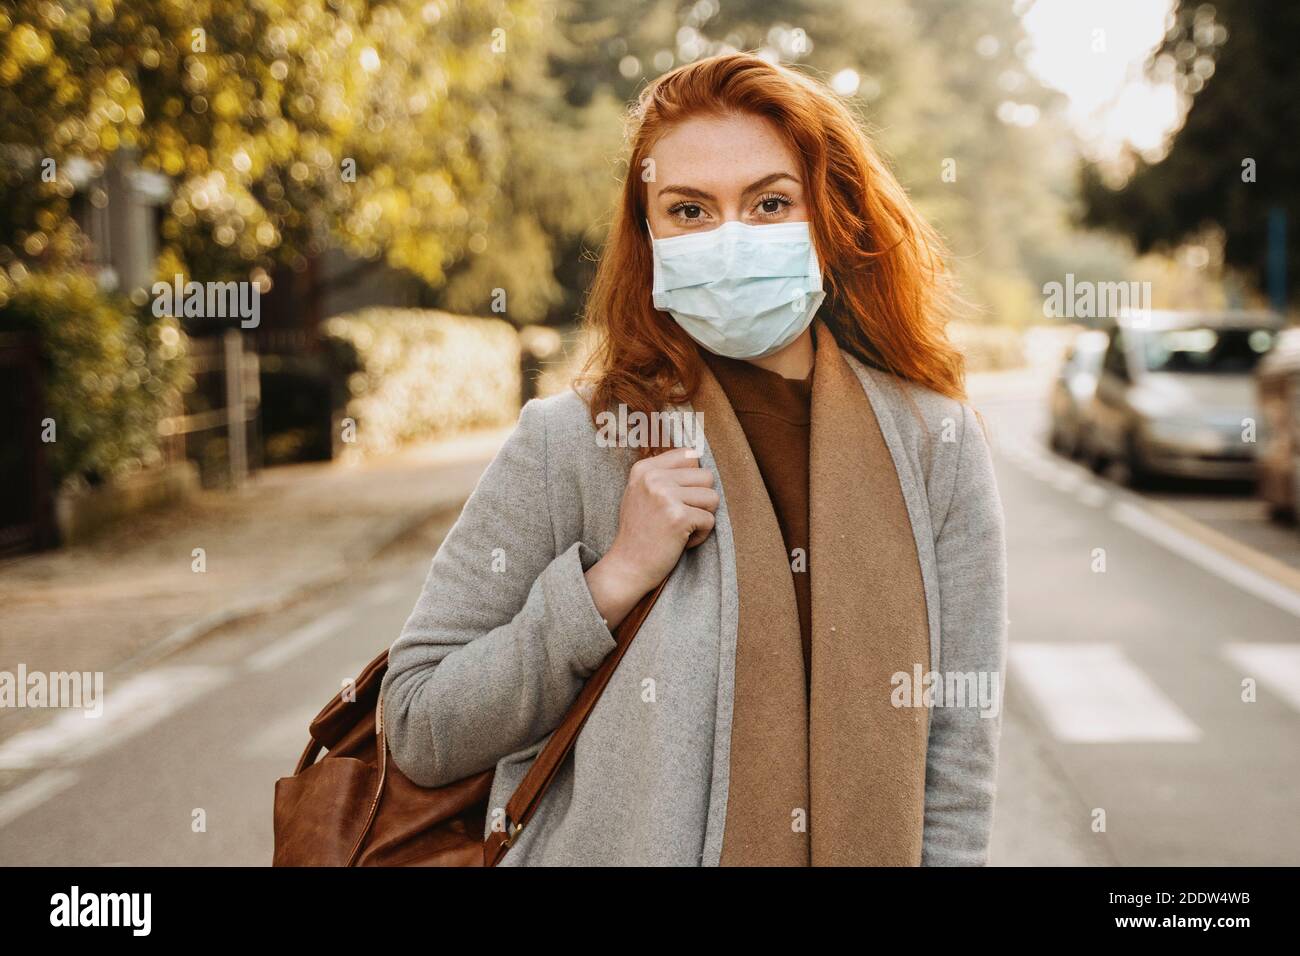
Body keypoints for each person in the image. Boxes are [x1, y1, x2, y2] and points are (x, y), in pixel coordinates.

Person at [381, 52, 1007, 866]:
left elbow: (957, 756)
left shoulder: (936, 445)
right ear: (649, 238)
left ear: (831, 218)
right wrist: (606, 584)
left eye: (771, 202)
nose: (731, 240)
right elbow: (419, 725)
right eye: (690, 211)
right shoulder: (571, 443)